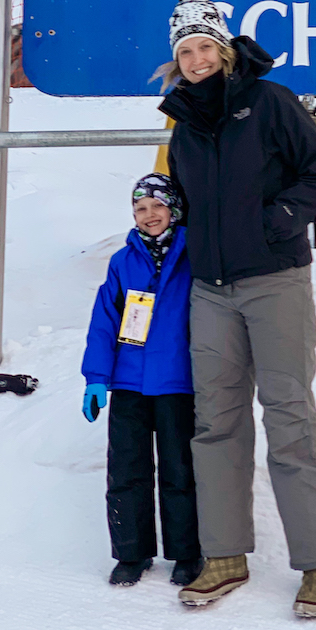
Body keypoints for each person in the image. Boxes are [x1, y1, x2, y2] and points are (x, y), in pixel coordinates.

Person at [156, 0, 316, 619]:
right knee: (216, 422)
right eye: (187, 52)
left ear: (225, 50)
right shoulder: (182, 122)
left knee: (289, 414)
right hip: (210, 290)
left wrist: (279, 219)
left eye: (206, 47)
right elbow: (187, 197)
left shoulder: (270, 103)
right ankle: (225, 555)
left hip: (274, 281)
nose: (198, 60)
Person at [81, 173, 202, 588]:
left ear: (174, 209)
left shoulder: (194, 254)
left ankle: (186, 552)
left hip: (178, 384)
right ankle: (132, 553)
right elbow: (104, 322)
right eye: (140, 209)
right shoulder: (123, 261)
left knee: (179, 469)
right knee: (127, 469)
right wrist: (96, 378)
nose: (149, 215)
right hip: (130, 384)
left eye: (156, 206)